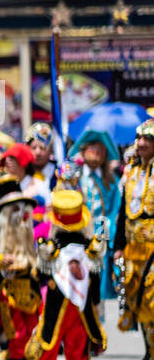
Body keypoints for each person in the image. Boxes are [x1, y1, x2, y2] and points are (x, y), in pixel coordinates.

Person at [24, 190, 106, 360]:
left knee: (48, 340)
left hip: (55, 303)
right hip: (81, 306)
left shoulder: (50, 248)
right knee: (78, 344)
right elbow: (96, 280)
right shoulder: (90, 249)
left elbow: (38, 274)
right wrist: (95, 304)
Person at [0, 176, 43, 360]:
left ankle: (4, 359)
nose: (22, 215)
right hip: (9, 292)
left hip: (32, 291)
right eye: (16, 210)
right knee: (18, 337)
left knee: (33, 337)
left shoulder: (32, 236)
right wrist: (0, 259)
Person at [115, 119, 154, 360]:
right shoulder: (131, 171)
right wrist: (118, 246)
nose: (140, 144)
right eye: (139, 139)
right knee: (136, 299)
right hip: (132, 245)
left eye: (147, 139)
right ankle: (148, 355)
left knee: (153, 298)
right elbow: (122, 211)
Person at [69, 128, 121, 305]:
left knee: (97, 288)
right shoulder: (72, 177)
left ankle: (98, 325)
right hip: (77, 236)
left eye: (101, 150)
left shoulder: (111, 180)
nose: (97, 153)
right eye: (93, 148)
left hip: (100, 238)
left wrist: (105, 232)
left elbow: (115, 209)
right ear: (83, 151)